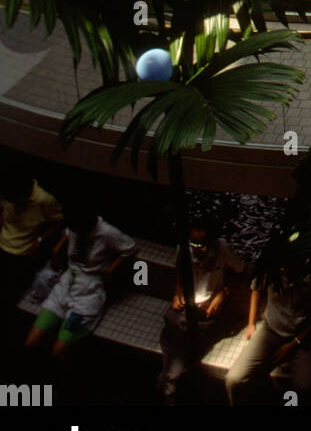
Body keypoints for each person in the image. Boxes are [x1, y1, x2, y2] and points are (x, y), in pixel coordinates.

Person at [25, 202, 135, 364]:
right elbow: (68, 233)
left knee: (58, 350)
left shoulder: (107, 232)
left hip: (87, 296)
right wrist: (57, 249)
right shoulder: (74, 226)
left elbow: (130, 248)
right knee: (31, 342)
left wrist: (110, 271)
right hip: (65, 287)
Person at [157, 216, 244, 404]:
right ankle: (171, 383)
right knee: (175, 333)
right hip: (184, 310)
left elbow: (242, 272)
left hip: (205, 313)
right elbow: (180, 271)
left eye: (202, 245)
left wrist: (223, 293)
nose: (197, 249)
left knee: (177, 353)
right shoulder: (185, 248)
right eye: (193, 244)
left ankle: (168, 386)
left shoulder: (222, 249)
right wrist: (177, 293)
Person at [225, 239, 311, 405]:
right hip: (270, 331)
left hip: (300, 339)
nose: (284, 273)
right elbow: (256, 289)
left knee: (304, 388)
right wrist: (252, 324)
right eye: (282, 269)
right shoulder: (272, 268)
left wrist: (293, 344)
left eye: (288, 270)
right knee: (234, 380)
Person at [0, 165, 63, 311]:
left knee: (10, 291)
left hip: (23, 250)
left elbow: (59, 221)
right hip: (3, 241)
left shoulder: (44, 200)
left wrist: (40, 240)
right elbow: (4, 209)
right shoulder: (8, 190)